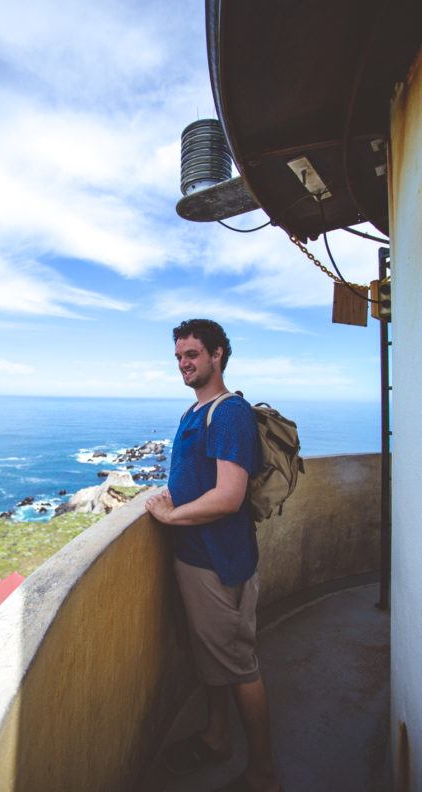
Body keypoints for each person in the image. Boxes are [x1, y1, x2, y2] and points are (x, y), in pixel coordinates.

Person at [145, 319, 282, 792]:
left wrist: (169, 517)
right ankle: (217, 736)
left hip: (216, 565)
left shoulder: (227, 413)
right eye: (179, 356)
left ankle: (263, 774)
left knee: (240, 666)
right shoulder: (196, 410)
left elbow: (228, 496)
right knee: (216, 661)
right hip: (200, 560)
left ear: (218, 354)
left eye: (193, 355)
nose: (184, 364)